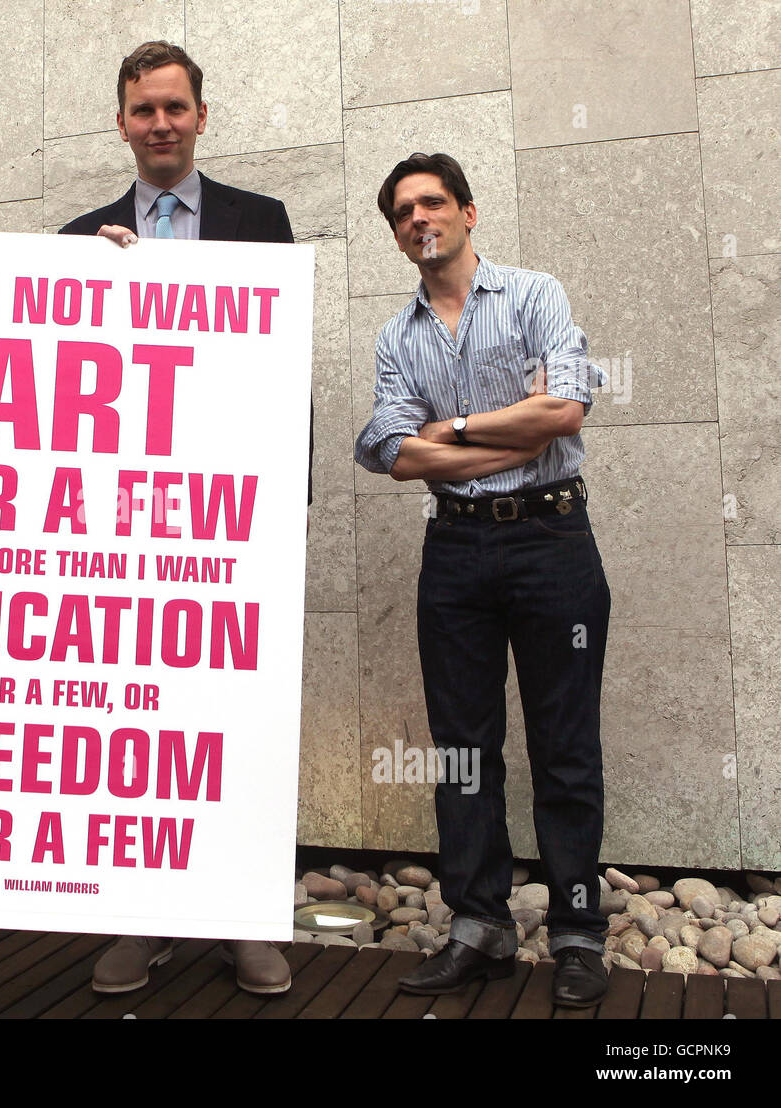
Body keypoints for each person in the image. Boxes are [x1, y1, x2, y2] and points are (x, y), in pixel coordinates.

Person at [59, 40, 306, 997]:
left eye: (174, 107)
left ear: (202, 115)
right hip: (117, 534)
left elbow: (280, 374)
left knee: (232, 724)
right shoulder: (79, 236)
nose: (159, 124)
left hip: (229, 522)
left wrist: (291, 503)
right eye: (141, 110)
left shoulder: (260, 222)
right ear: (120, 123)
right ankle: (136, 920)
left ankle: (242, 921)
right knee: (133, 729)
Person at [354, 153, 610, 1008]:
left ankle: (578, 932)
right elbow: (391, 451)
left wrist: (453, 429)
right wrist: (507, 439)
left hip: (551, 538)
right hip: (456, 552)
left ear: (468, 211)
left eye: (432, 203)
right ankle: (479, 924)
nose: (418, 219)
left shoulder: (536, 294)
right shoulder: (398, 336)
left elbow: (564, 410)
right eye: (402, 213)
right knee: (464, 749)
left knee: (564, 746)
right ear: (397, 236)